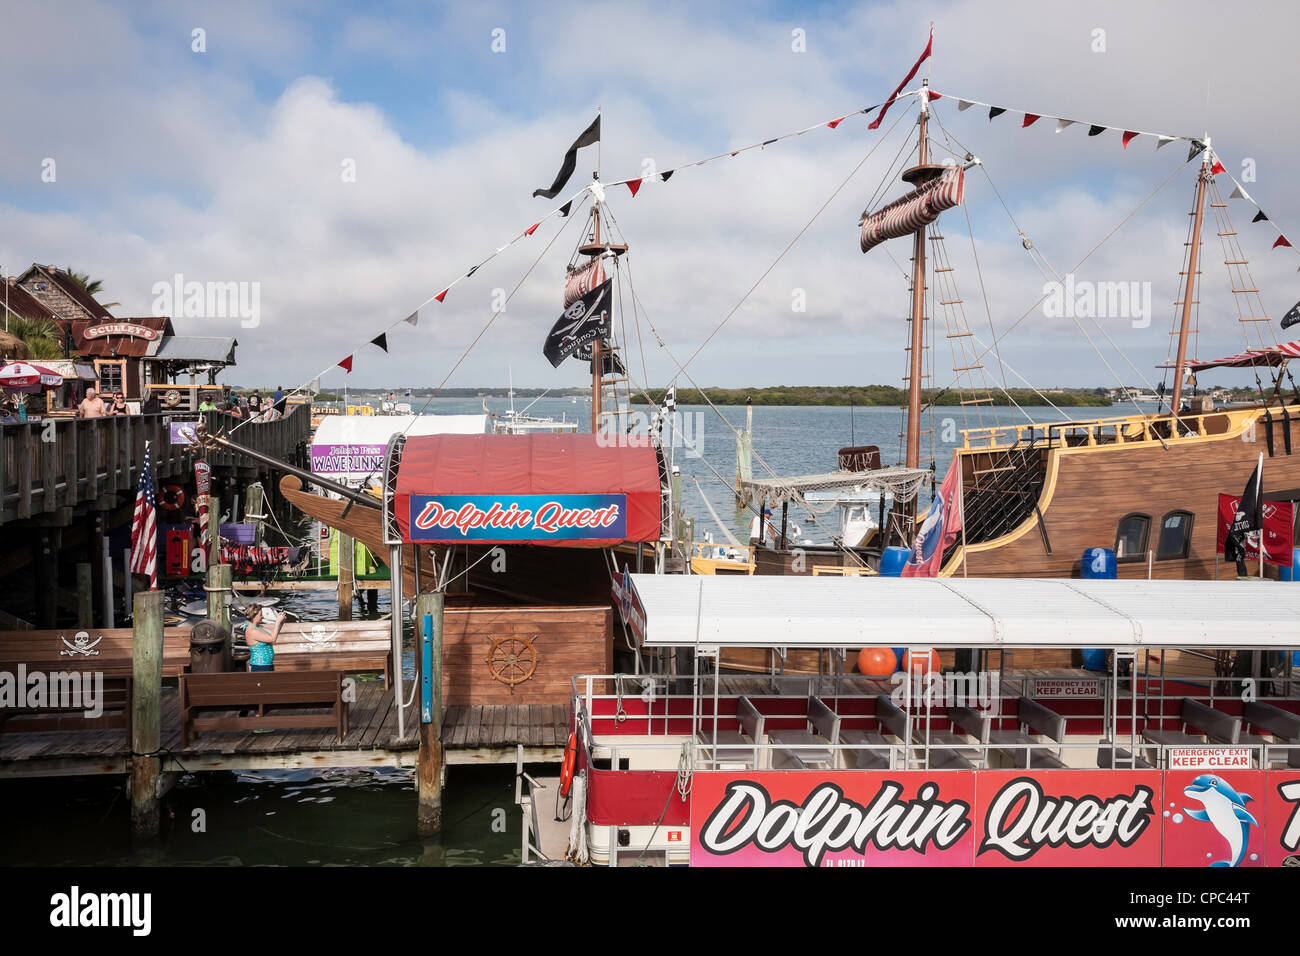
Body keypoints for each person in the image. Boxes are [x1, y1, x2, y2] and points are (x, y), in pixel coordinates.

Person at [243, 606, 285, 671]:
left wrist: (281, 622)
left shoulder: (258, 627)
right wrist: (277, 622)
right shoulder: (251, 631)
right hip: (259, 666)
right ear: (253, 616)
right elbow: (272, 639)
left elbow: (273, 634)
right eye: (260, 615)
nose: (262, 616)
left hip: (267, 665)